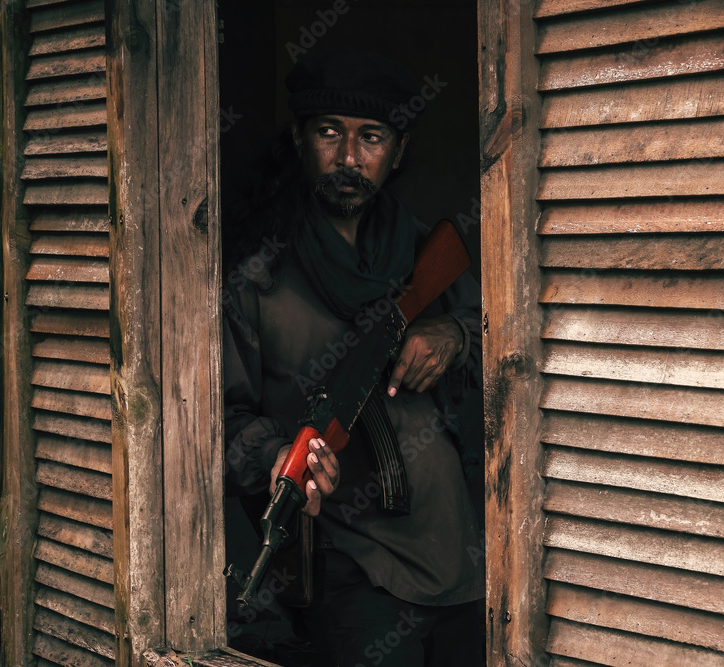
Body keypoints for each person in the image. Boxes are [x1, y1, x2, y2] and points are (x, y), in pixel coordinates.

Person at [222, 49, 484, 666]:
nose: (348, 158)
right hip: (348, 564)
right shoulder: (257, 276)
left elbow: (513, 344)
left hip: (458, 553)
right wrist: (278, 454)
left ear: (398, 149)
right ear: (299, 137)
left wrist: (455, 335)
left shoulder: (428, 252)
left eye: (371, 137)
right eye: (329, 132)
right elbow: (213, 422)